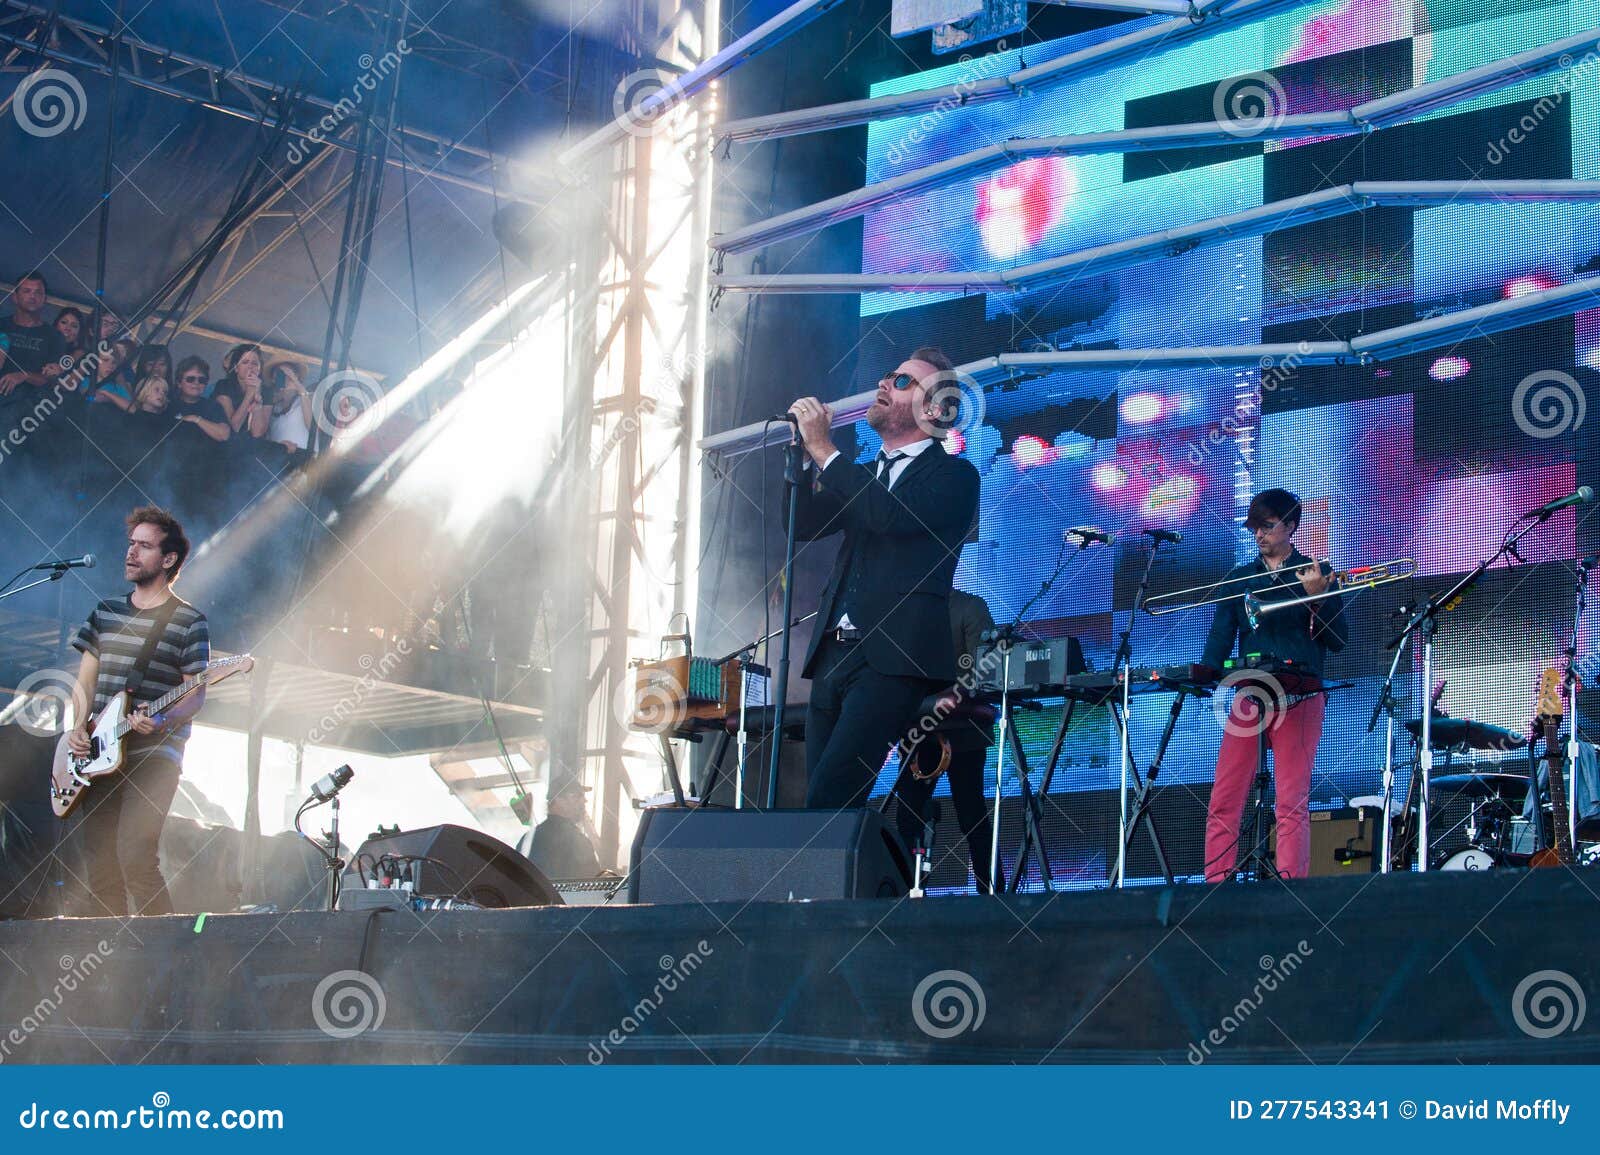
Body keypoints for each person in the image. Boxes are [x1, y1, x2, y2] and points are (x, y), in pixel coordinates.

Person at [786, 346, 981, 809]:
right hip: (834, 651)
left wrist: (825, 449)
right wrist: (799, 458)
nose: (883, 383)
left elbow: (889, 517)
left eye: (902, 381)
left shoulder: (955, 475)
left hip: (892, 658)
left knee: (830, 795)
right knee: (824, 805)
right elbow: (802, 527)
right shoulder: (865, 474)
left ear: (933, 410)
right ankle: (835, 882)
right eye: (887, 374)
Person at [65, 506, 210, 917]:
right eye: (131, 544)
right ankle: (108, 965)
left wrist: (163, 719)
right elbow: (85, 683)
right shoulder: (106, 612)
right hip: (100, 751)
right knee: (100, 864)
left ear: (168, 560)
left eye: (144, 546)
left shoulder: (188, 621)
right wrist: (76, 727)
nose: (131, 553)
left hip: (154, 755)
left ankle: (161, 957)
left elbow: (196, 694)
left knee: (135, 856)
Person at [1198, 487, 1349, 882]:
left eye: (1267, 526)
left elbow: (1338, 640)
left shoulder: (1316, 572)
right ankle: (1216, 883)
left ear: (1291, 526)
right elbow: (1220, 635)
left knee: (1291, 800)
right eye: (1254, 528)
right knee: (1225, 796)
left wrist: (1320, 598)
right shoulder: (1239, 578)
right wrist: (1206, 671)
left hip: (1299, 696)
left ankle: (1289, 887)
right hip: (1250, 694)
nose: (1259, 535)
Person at [891, 587, 1002, 891]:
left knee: (971, 815)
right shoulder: (907, 610)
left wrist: (948, 696)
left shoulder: (970, 606)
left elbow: (985, 668)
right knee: (907, 818)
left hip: (963, 731)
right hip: (918, 730)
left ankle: (992, 894)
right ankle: (905, 893)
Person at [0, 271, 65, 407]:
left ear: (45, 299)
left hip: (30, 409)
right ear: (15, 297)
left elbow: (51, 379)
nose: (32, 296)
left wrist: (24, 376)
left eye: (38, 292)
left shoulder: (54, 336)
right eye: (27, 291)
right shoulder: (2, 326)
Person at [524, 781, 600, 879]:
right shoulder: (577, 841)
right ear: (558, 800)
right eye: (577, 796)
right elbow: (594, 887)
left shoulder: (527, 840)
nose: (584, 800)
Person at [213, 343, 270, 437]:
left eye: (255, 363)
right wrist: (250, 393)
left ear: (260, 369)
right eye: (245, 362)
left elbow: (258, 433)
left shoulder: (267, 391)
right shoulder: (224, 385)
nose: (250, 366)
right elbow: (234, 428)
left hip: (251, 448)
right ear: (236, 368)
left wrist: (258, 403)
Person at [169, 356, 230, 442]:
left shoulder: (213, 406)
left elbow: (224, 435)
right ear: (179, 383)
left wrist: (196, 419)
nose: (196, 383)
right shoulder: (168, 404)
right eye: (190, 379)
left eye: (201, 380)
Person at [264, 358, 313, 456]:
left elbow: (312, 427)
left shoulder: (307, 398)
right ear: (273, 378)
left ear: (297, 376)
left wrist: (298, 385)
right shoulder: (272, 406)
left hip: (301, 459)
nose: (285, 377)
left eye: (289, 373)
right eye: (280, 373)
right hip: (277, 459)